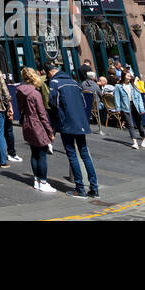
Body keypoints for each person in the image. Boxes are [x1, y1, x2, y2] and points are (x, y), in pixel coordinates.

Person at [50, 63, 99, 199]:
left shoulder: (55, 83)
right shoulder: (75, 83)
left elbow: (53, 102)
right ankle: (94, 189)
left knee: (72, 154)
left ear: (52, 72)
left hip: (67, 122)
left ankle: (80, 189)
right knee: (84, 154)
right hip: (80, 122)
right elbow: (83, 103)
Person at [17, 68, 56, 193]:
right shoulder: (35, 93)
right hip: (37, 124)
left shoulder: (20, 91)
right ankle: (43, 182)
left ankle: (36, 180)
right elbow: (42, 114)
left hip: (27, 124)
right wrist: (50, 131)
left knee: (34, 152)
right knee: (42, 154)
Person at [114, 70, 145, 147]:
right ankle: (135, 142)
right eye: (128, 75)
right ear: (124, 76)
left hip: (135, 104)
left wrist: (141, 108)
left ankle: (143, 139)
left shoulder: (133, 85)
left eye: (130, 76)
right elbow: (117, 98)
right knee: (130, 124)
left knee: (139, 123)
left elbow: (139, 97)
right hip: (125, 106)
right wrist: (118, 108)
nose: (130, 77)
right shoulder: (118, 86)